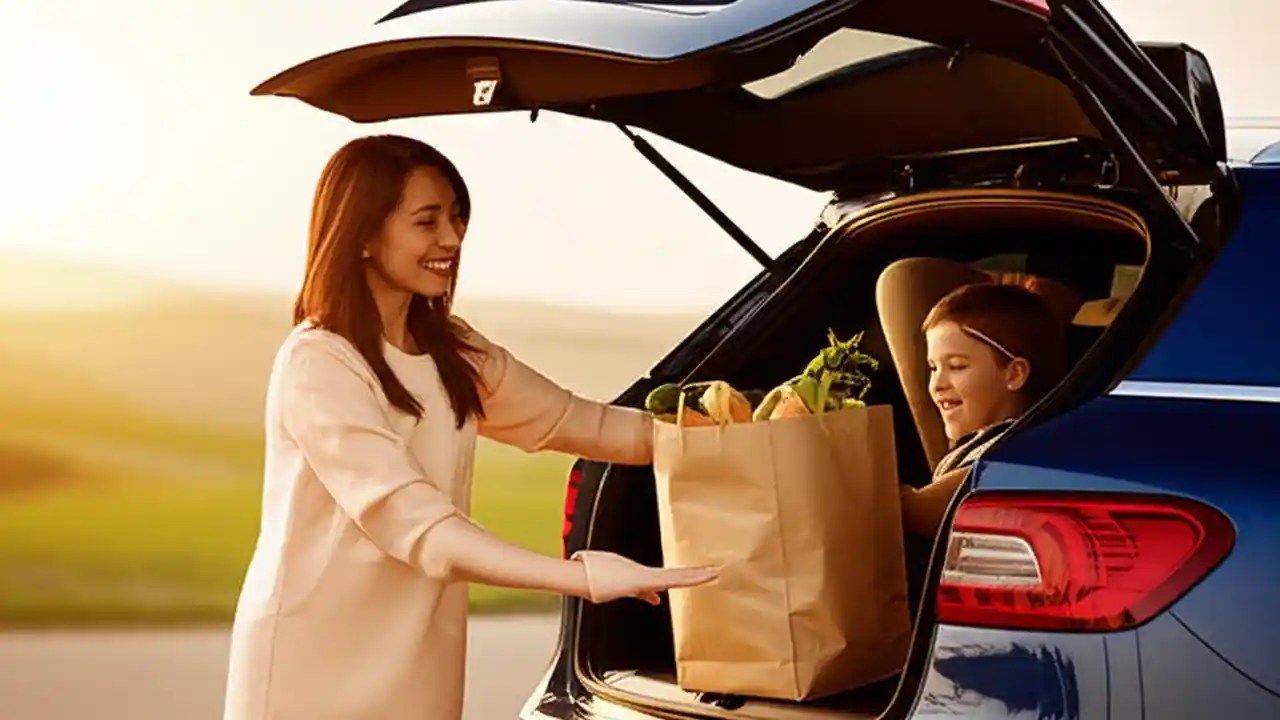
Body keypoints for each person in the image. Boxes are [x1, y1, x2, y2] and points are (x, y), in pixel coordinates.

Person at [222, 135, 717, 720]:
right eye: (426, 221)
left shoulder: (451, 351)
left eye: (456, 219)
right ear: (360, 234)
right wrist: (580, 577)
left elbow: (588, 424)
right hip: (313, 659)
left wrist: (743, 438)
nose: (451, 240)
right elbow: (421, 528)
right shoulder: (319, 362)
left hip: (420, 652)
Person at [900, 279, 1069, 605]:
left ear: (1014, 374)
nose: (937, 385)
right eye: (933, 368)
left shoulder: (1011, 456)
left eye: (957, 366)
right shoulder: (987, 442)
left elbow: (910, 512)